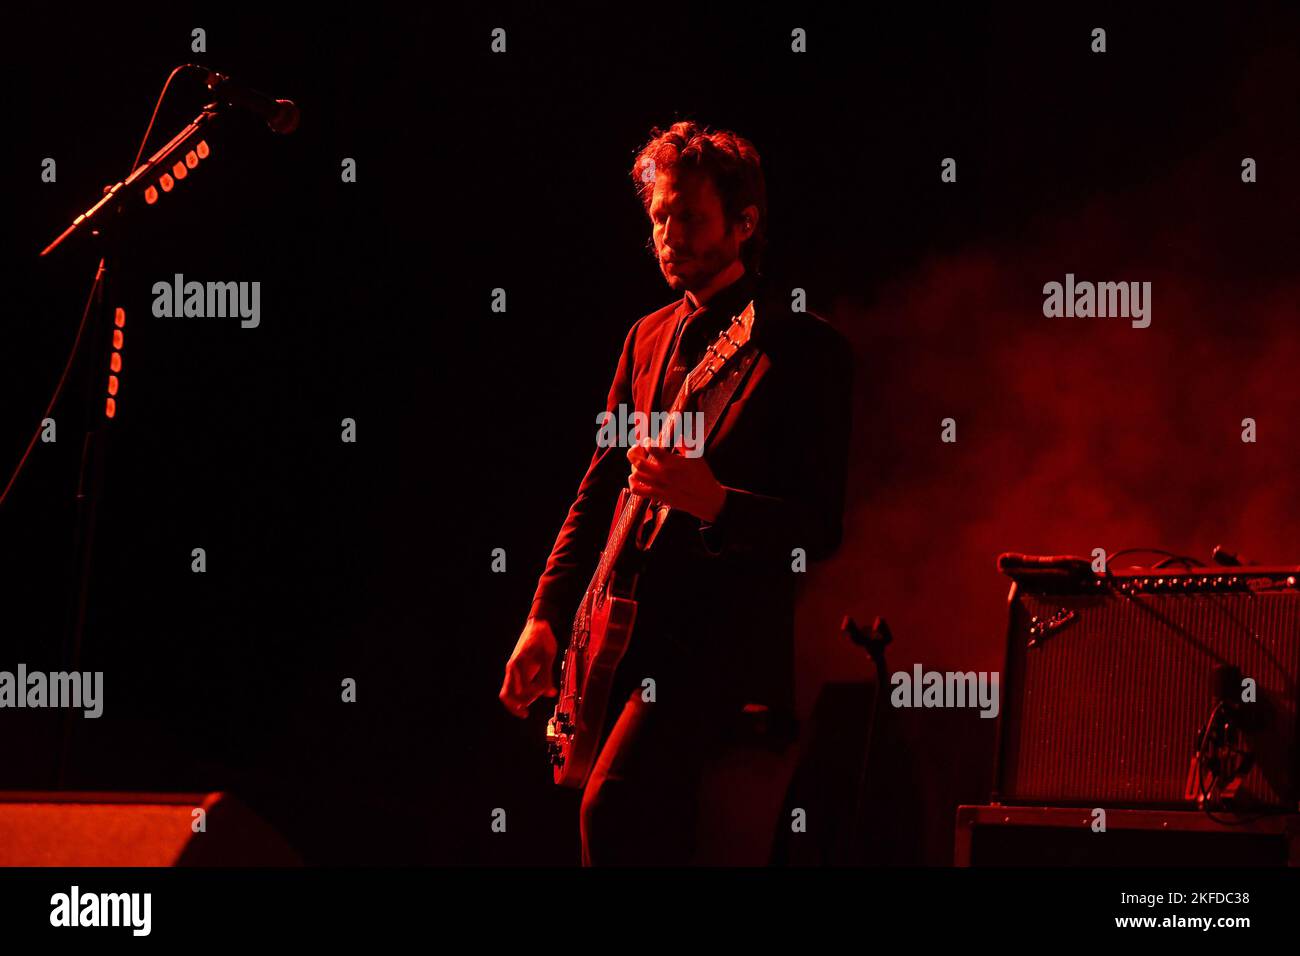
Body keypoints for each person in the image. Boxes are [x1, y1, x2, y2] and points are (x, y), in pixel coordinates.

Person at [499, 121, 853, 864]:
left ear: (744, 222)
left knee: (614, 808)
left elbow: (819, 527)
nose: (668, 233)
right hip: (622, 637)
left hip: (718, 650)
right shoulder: (646, 337)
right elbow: (599, 490)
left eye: (688, 215)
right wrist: (546, 616)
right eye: (659, 216)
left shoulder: (801, 346)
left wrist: (716, 503)